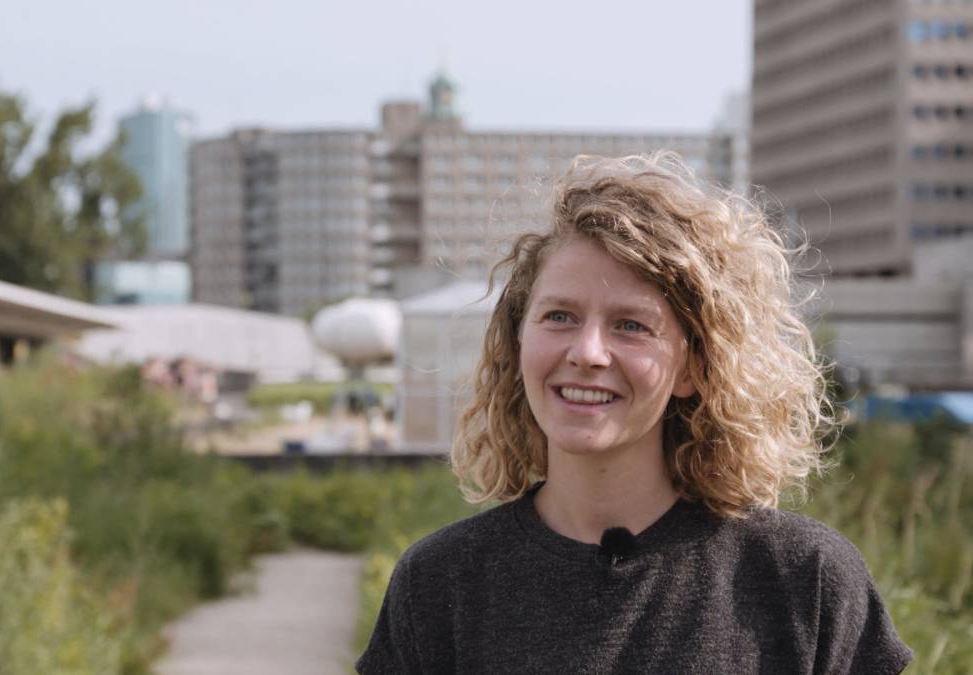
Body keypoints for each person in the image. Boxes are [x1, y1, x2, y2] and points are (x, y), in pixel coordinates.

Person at [356, 154, 912, 674]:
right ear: (517, 341)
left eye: (631, 326)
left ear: (694, 368)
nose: (587, 352)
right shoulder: (439, 584)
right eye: (559, 316)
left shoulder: (804, 580)